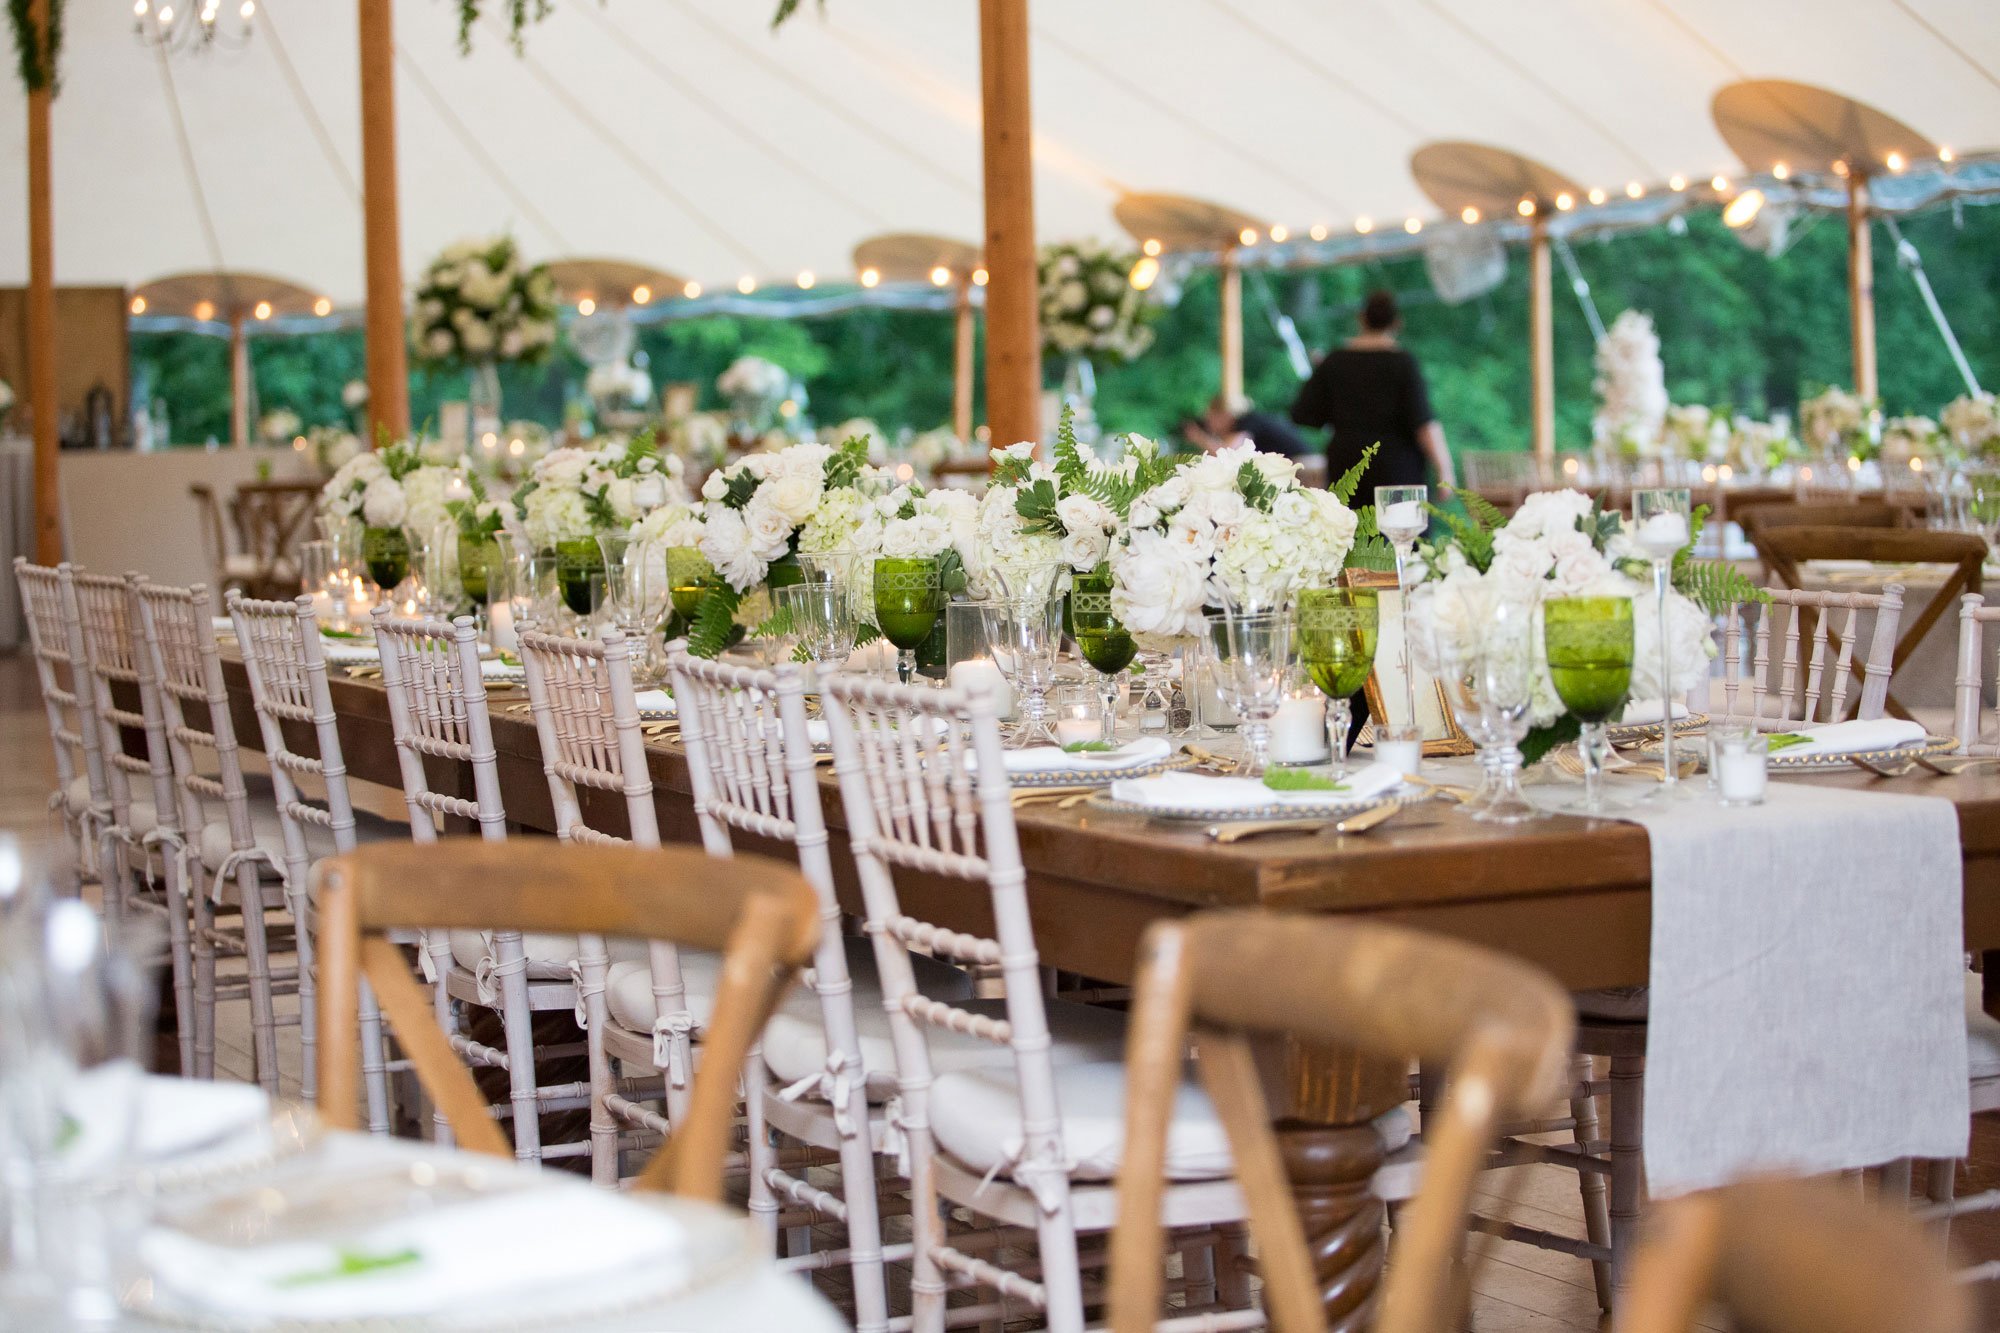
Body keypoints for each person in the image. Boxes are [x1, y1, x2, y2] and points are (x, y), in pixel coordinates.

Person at [1289, 290, 1456, 493]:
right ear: (1397, 323)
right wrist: (1444, 470)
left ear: (1361, 318)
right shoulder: (1402, 363)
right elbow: (1423, 422)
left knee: (1348, 523)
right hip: (1396, 468)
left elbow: (1303, 414)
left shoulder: (1334, 361)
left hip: (1346, 464)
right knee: (1401, 524)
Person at [1188, 393, 1313, 459]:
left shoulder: (1247, 421)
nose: (1209, 425)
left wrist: (1198, 437)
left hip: (1304, 465)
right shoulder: (1251, 421)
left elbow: (1227, 452)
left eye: (1210, 419)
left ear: (1224, 415)